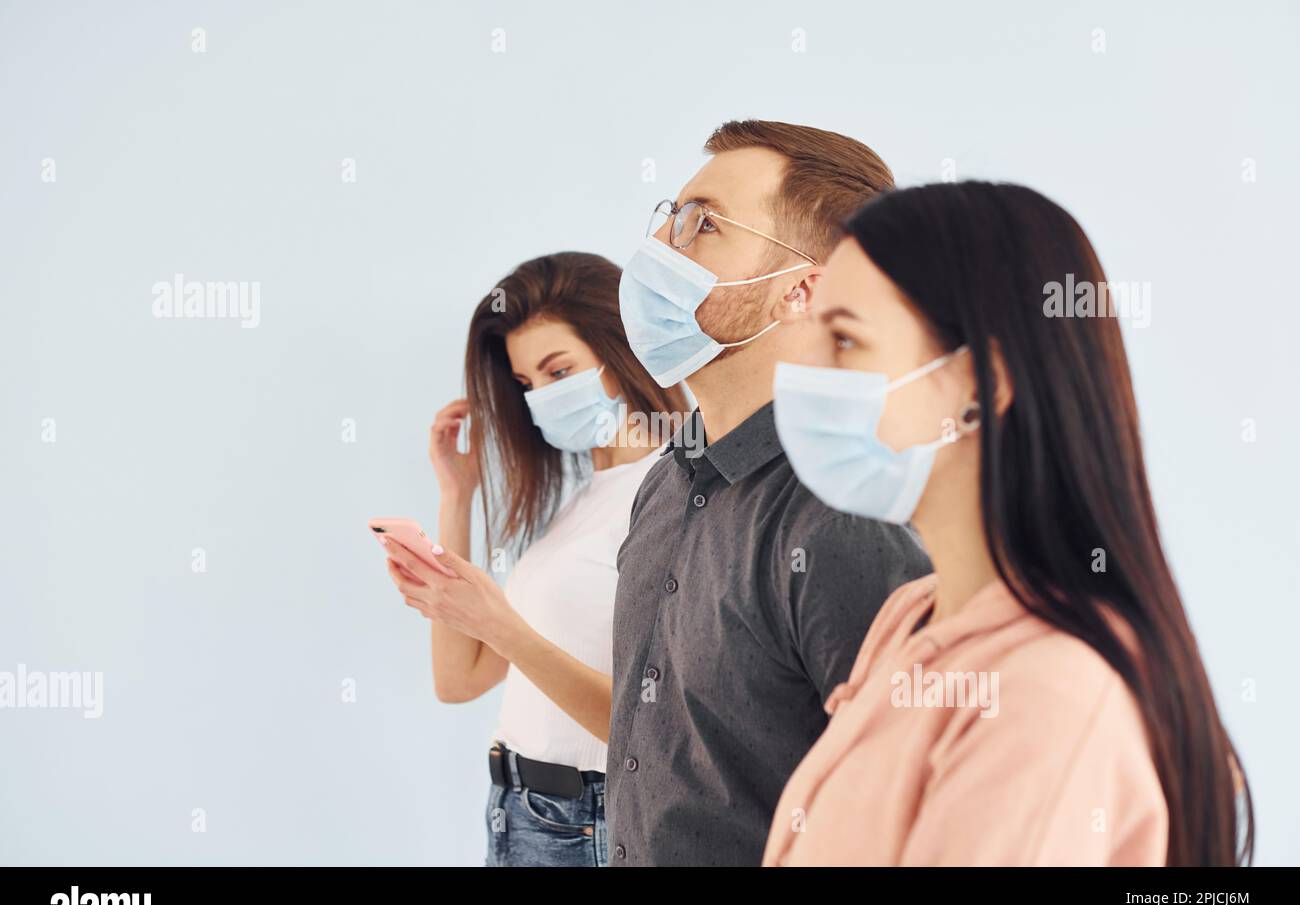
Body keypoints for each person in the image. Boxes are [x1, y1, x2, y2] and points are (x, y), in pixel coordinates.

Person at [763, 181, 1253, 865]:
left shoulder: (1046, 695)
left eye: (845, 339)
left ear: (980, 384)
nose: (802, 373)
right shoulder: (911, 617)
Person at [605, 120, 933, 866]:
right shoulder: (666, 480)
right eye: (669, 217)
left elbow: (913, 812)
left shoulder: (846, 519)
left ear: (804, 289)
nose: (660, 248)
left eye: (703, 226)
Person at [382, 251, 689, 867]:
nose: (542, 397)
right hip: (519, 811)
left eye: (559, 370)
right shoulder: (580, 506)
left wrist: (501, 623)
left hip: (589, 822)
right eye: (526, 384)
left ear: (621, 349)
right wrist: (457, 498)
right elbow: (458, 680)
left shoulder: (672, 490)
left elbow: (650, 729)